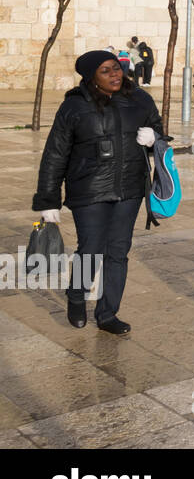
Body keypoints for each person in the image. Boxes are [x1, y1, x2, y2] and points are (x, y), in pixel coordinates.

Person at [32, 50, 164, 335]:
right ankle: (77, 294)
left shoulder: (139, 99)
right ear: (91, 77)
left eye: (116, 68)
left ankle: (107, 314)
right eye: (105, 71)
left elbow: (159, 131)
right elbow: (55, 154)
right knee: (91, 249)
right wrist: (48, 200)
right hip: (89, 189)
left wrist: (154, 138)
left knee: (118, 251)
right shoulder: (74, 106)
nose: (115, 75)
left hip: (129, 189)